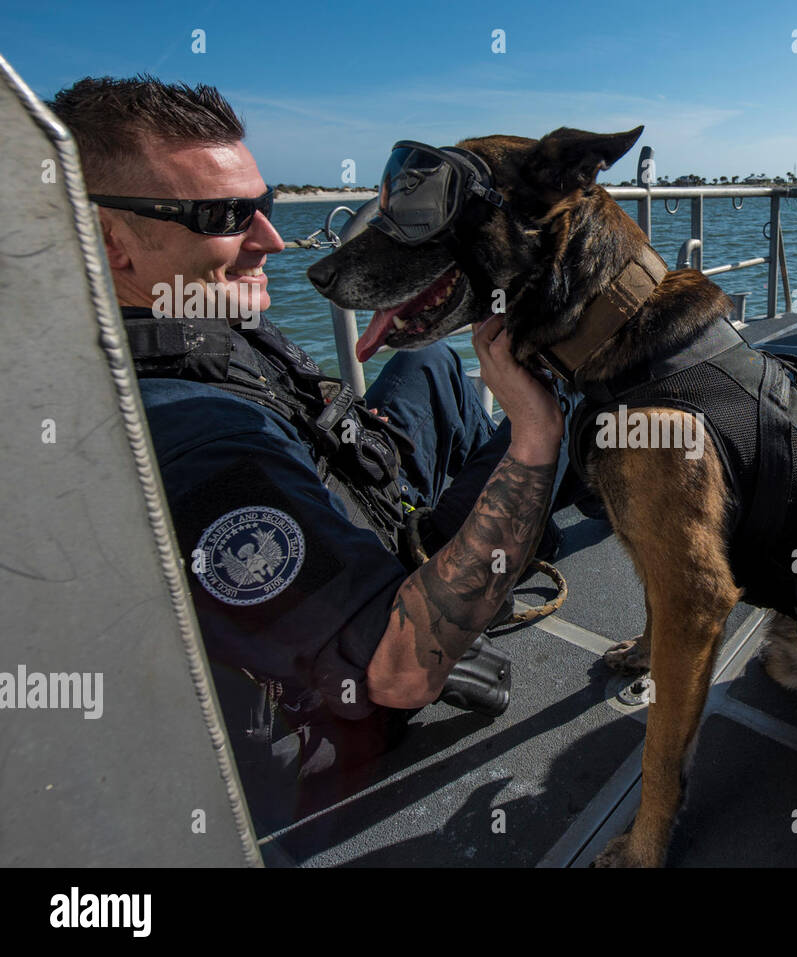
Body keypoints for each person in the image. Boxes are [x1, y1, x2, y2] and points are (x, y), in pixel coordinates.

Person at [51, 75, 569, 829]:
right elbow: (398, 672)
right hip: (376, 646)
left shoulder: (181, 313)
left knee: (429, 364)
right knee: (575, 404)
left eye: (261, 206)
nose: (270, 238)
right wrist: (536, 435)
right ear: (111, 243)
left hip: (360, 491)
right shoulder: (201, 445)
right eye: (227, 216)